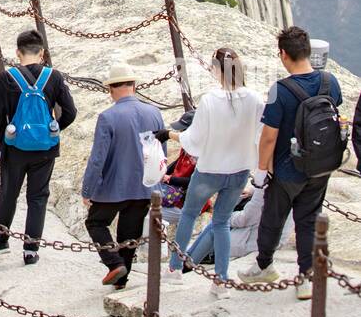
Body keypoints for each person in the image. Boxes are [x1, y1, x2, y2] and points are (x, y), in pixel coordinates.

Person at [240, 26, 344, 299]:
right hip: (321, 166)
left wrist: (261, 171)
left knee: (272, 219)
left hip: (287, 170)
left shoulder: (280, 90)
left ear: (283, 54)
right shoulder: (330, 82)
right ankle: (306, 278)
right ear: (309, 51)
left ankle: (264, 266)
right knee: (308, 221)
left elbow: (268, 138)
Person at [167, 49, 264, 296]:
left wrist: (172, 135)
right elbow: (260, 136)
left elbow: (195, 140)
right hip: (240, 170)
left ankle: (175, 269)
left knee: (188, 214)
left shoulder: (211, 100)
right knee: (221, 223)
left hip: (210, 168)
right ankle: (220, 280)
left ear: (218, 70)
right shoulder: (255, 99)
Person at [0, 29, 77, 265]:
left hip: (14, 145)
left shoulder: (7, 78)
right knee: (38, 197)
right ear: (42, 53)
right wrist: (53, 129)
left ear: (18, 52)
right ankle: (31, 250)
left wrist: (3, 136)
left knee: (9, 192)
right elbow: (70, 112)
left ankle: (2, 238)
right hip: (45, 149)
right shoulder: (54, 77)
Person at [82, 60, 166, 288]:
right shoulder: (154, 112)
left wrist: (88, 189)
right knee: (130, 234)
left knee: (96, 222)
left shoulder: (108, 117)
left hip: (113, 185)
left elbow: (98, 158)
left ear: (110, 89)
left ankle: (114, 264)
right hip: (145, 185)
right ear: (134, 85)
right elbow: (160, 151)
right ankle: (122, 278)